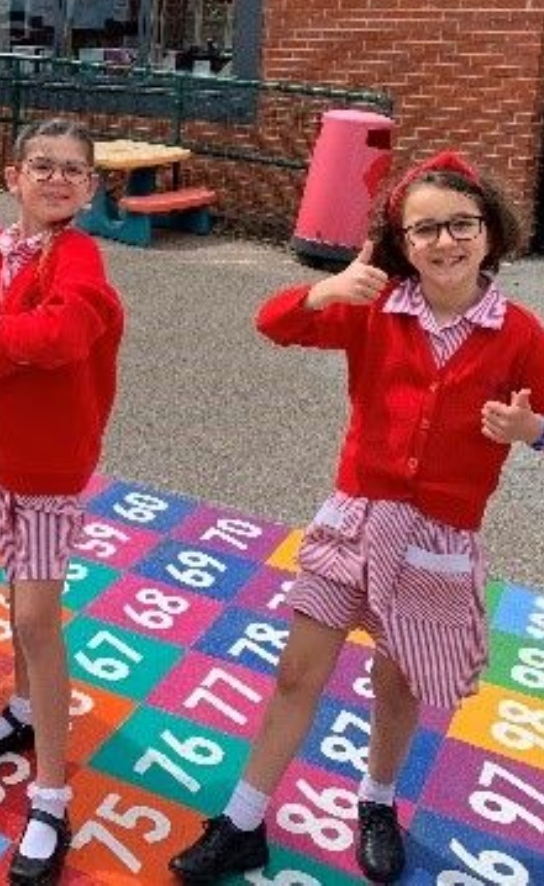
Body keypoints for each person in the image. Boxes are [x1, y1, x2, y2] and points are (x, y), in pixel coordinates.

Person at [169, 150, 544, 886]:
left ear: (491, 233)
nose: (444, 242)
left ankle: (376, 801)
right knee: (296, 674)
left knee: (398, 684)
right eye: (424, 229)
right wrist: (326, 290)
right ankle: (244, 821)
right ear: (401, 244)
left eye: (460, 225)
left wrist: (529, 433)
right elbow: (271, 322)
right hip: (354, 520)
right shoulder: (375, 307)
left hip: (439, 537)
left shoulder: (521, 333)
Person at [0, 118, 124, 886]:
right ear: (13, 177)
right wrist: (1, 339)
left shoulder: (80, 255)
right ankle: (21, 707)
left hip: (50, 468)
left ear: (91, 187)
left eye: (72, 170)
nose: (55, 179)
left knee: (39, 621)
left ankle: (50, 796)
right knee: (18, 604)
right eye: (41, 165)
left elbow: (65, 336)